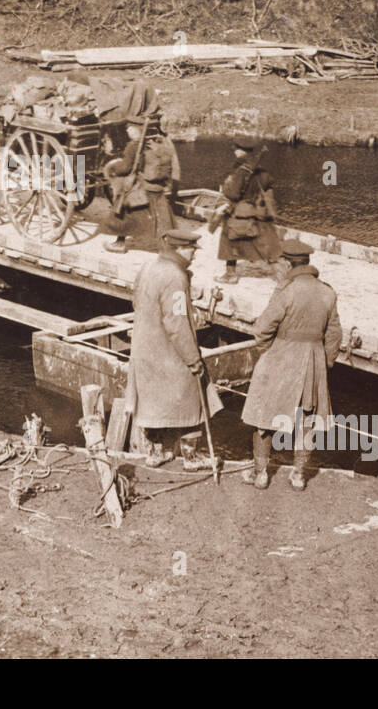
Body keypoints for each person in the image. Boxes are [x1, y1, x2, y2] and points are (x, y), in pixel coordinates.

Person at [239, 238, 342, 491]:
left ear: (286, 263)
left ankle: (260, 474)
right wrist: (323, 363)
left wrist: (270, 353)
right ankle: (298, 476)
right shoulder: (327, 291)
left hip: (281, 358)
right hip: (313, 361)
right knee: (307, 420)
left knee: (265, 416)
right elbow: (334, 335)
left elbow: (262, 329)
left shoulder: (286, 291)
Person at [125, 228, 219, 470]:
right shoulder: (175, 277)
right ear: (178, 249)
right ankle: (191, 457)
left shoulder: (149, 266)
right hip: (168, 351)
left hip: (144, 348)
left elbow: (136, 300)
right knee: (194, 395)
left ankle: (158, 452)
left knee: (153, 401)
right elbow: (177, 324)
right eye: (191, 249)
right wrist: (193, 359)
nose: (195, 254)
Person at [101, 118, 179, 253]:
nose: (127, 131)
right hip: (157, 185)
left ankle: (120, 243)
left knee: (121, 208)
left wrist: (113, 168)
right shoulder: (154, 142)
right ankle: (170, 244)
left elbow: (125, 168)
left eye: (130, 128)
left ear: (136, 130)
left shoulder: (133, 146)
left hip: (141, 186)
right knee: (163, 214)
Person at [212, 137, 282, 283]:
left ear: (239, 151)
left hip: (239, 211)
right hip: (257, 212)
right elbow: (269, 183)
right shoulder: (260, 168)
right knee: (267, 244)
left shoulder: (240, 169)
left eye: (236, 149)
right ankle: (282, 276)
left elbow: (233, 194)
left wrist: (225, 188)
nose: (235, 152)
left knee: (228, 241)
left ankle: (230, 275)